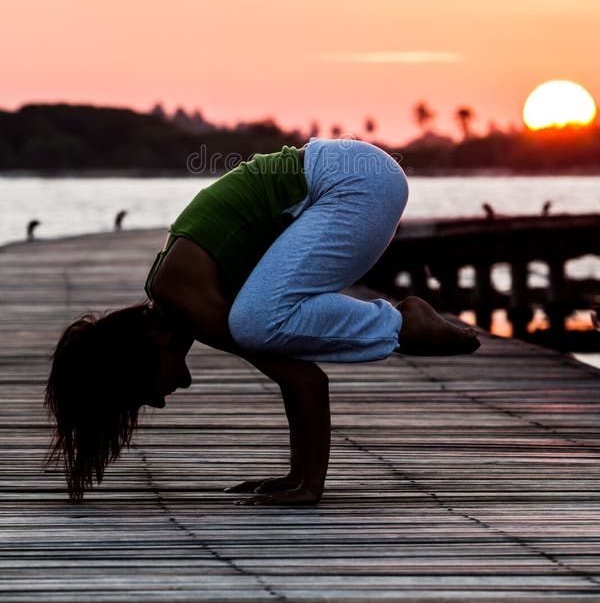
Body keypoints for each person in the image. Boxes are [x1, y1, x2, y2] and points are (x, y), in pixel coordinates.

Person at [45, 137, 479, 505]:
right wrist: (295, 475)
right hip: (353, 172)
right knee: (261, 321)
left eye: (140, 397)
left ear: (134, 362)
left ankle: (403, 323)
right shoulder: (176, 293)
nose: (158, 402)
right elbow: (294, 369)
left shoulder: (187, 301)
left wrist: (309, 487)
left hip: (354, 184)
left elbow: (305, 380)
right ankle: (400, 324)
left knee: (255, 324)